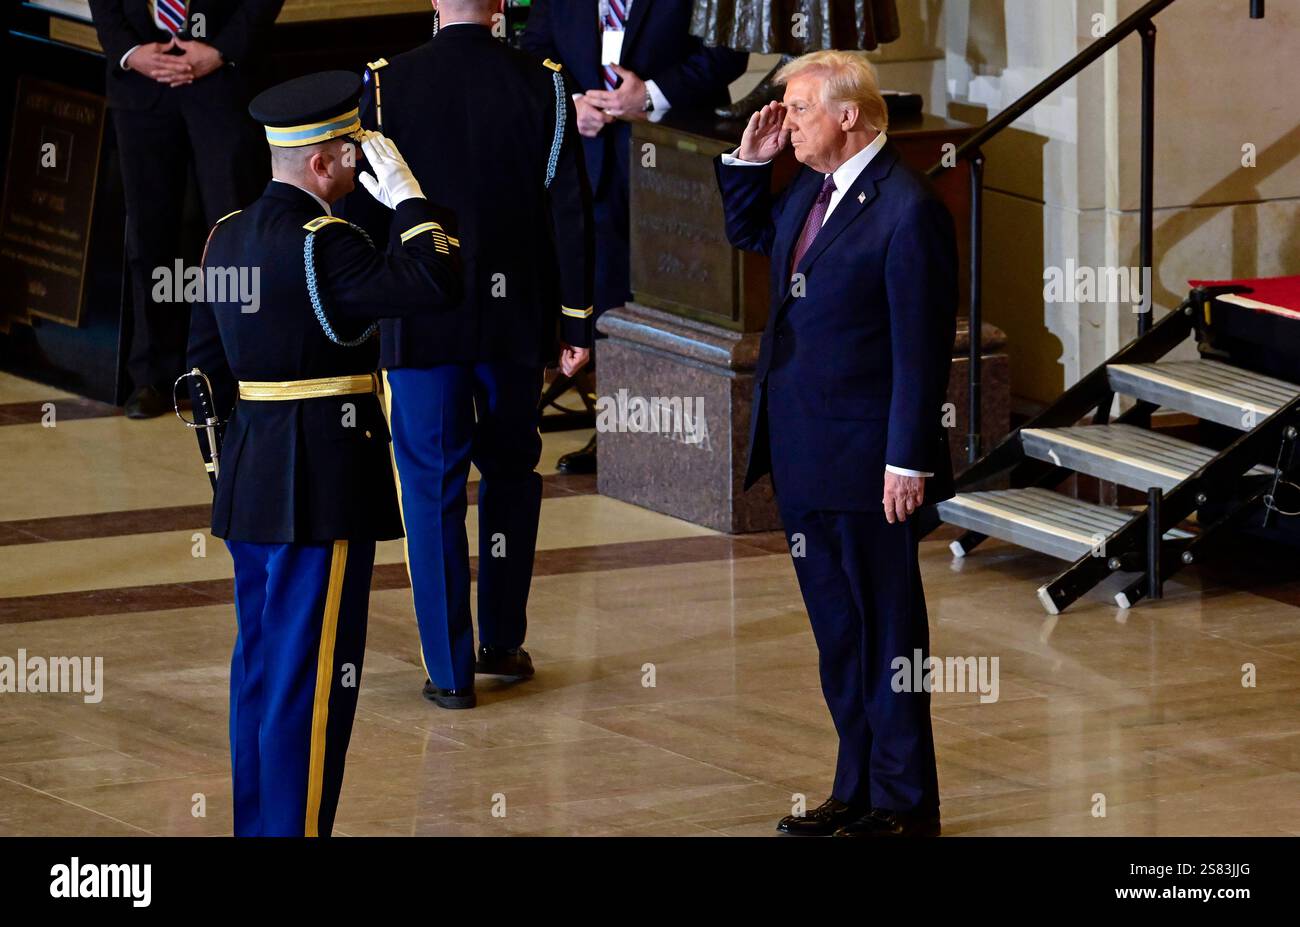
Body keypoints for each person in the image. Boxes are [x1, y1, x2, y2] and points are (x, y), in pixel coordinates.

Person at [186, 71, 462, 836]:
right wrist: (409, 198)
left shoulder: (225, 235)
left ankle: (258, 825)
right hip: (321, 478)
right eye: (353, 152)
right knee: (310, 682)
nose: (362, 162)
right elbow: (436, 279)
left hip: (250, 479)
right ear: (322, 166)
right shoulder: (327, 244)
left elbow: (200, 371)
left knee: (262, 670)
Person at [714, 51, 957, 837]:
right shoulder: (808, 196)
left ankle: (904, 804)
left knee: (889, 635)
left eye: (798, 110)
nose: (786, 124)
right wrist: (747, 164)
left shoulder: (906, 208)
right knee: (840, 636)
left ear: (849, 115)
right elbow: (751, 232)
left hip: (870, 465)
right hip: (804, 457)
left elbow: (920, 348)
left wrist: (908, 458)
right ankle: (855, 790)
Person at [346, 0, 593, 710]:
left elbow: (368, 209)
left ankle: (449, 670)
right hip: (514, 317)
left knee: (430, 488)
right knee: (512, 470)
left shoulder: (388, 83)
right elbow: (567, 208)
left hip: (421, 317)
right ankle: (502, 640)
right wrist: (573, 318)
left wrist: (363, 310)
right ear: (499, 6)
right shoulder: (543, 81)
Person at [521, 0, 748, 474]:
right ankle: (619, 435)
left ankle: (689, 436)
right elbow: (536, 54)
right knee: (608, 300)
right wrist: (572, 101)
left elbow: (729, 49)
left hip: (674, 161)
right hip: (591, 162)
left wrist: (650, 95)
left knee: (679, 300)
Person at [88, 0, 284, 419]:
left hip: (224, 81)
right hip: (139, 86)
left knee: (233, 233)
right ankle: (153, 375)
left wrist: (221, 49)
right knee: (148, 234)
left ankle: (238, 368)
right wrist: (129, 51)